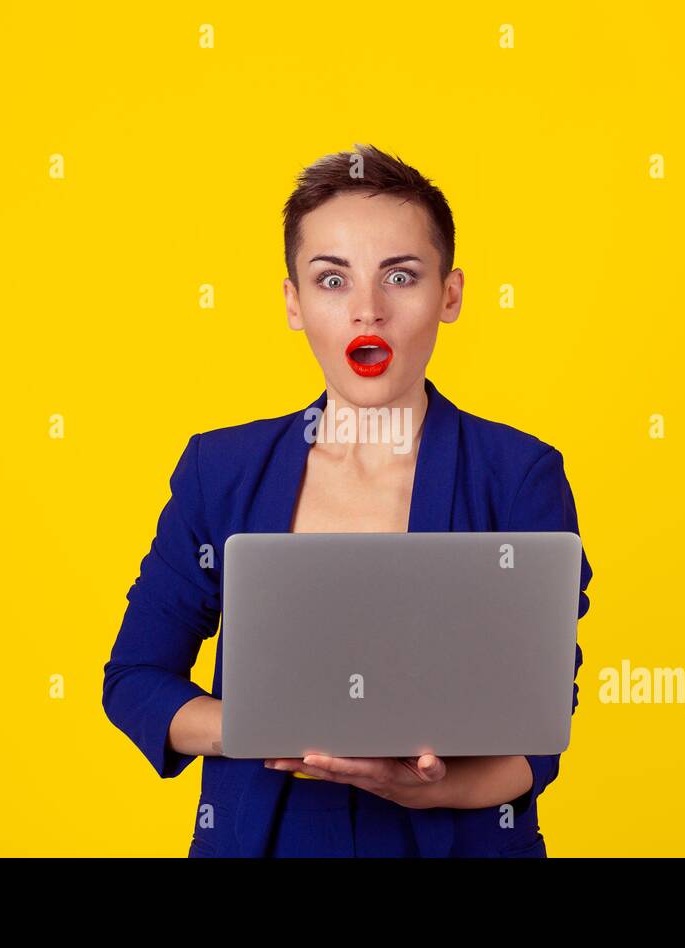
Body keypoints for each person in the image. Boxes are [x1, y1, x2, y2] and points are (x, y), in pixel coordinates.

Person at [102, 144, 593, 857]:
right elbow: (135, 680)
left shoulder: (520, 475)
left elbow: (542, 729)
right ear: (294, 303)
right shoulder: (221, 470)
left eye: (401, 275)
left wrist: (431, 786)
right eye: (332, 280)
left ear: (450, 295)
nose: (368, 310)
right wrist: (266, 723)